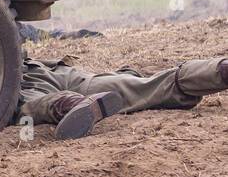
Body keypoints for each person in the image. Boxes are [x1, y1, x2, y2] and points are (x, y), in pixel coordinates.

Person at [20, 54, 228, 139]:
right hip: (58, 73)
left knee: (27, 108)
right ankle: (218, 71)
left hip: (16, 83)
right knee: (145, 88)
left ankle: (73, 104)